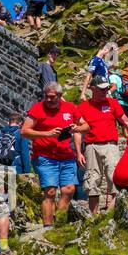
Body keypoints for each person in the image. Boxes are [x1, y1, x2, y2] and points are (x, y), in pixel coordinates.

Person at [22, 83, 87, 228]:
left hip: (66, 156)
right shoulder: (38, 108)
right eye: (46, 96)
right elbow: (24, 131)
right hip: (45, 156)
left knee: (69, 189)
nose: (48, 100)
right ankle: (48, 226)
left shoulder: (70, 108)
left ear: (59, 96)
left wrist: (76, 128)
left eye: (52, 97)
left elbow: (86, 126)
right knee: (50, 191)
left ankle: (58, 222)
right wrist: (47, 133)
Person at [75, 80, 128, 215]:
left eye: (106, 89)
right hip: (91, 147)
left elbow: (126, 121)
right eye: (101, 89)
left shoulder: (112, 103)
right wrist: (78, 153)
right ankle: (93, 216)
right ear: (92, 88)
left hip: (110, 145)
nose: (105, 91)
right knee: (92, 181)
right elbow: (77, 131)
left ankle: (111, 215)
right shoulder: (83, 107)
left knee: (115, 178)